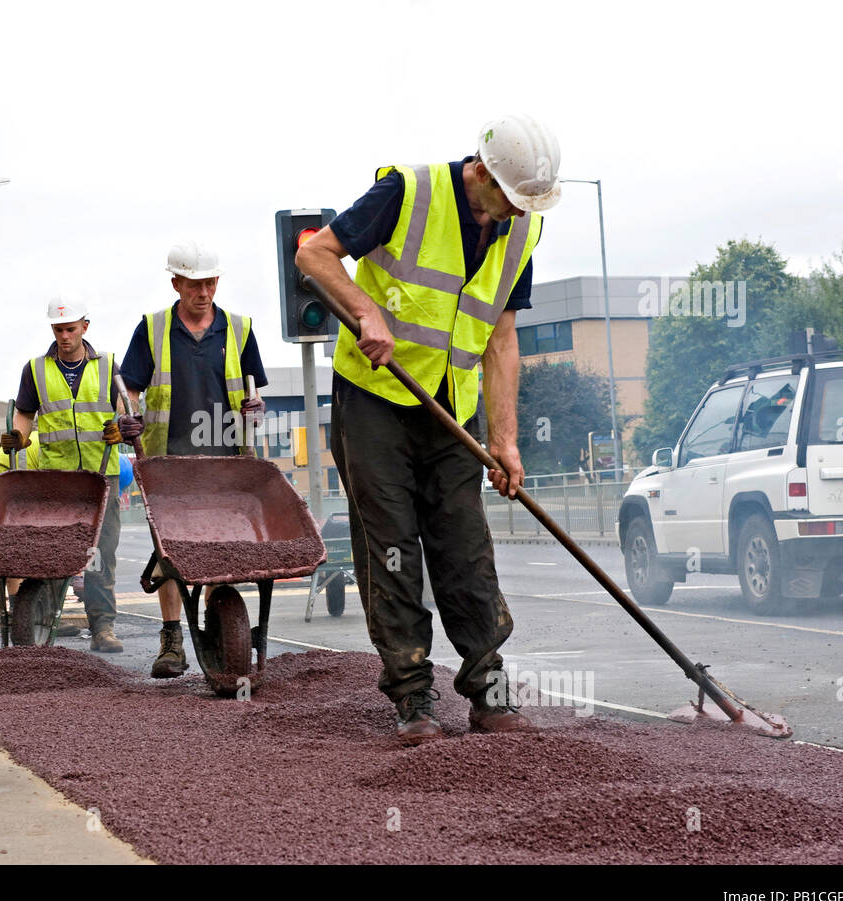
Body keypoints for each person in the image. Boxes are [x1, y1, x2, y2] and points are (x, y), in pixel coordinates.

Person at [295, 114, 561, 743]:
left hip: (451, 408)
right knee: (392, 547)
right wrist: (365, 311)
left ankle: (488, 688)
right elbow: (314, 253)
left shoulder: (521, 232)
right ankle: (413, 695)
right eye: (511, 199)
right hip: (375, 399)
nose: (518, 214)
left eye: (528, 205)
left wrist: (505, 439)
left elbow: (500, 339)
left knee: (465, 547)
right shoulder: (406, 194)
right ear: (481, 172)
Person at [119, 240, 268, 678]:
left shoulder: (239, 329)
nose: (204, 292)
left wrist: (257, 407)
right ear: (176, 283)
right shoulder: (152, 328)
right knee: (170, 553)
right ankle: (171, 641)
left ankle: (218, 627)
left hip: (226, 462)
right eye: (195, 284)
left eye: (211, 283)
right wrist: (130, 416)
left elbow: (255, 388)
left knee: (220, 551)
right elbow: (130, 385)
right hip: (168, 463)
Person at [2, 295, 136, 653]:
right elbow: (25, 413)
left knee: (100, 554)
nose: (64, 336)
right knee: (55, 552)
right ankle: (41, 620)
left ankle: (102, 628)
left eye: (70, 329)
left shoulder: (108, 365)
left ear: (85, 328)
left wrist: (121, 428)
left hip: (100, 475)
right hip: (58, 479)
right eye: (58, 329)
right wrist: (19, 436)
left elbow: (126, 409)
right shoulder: (36, 369)